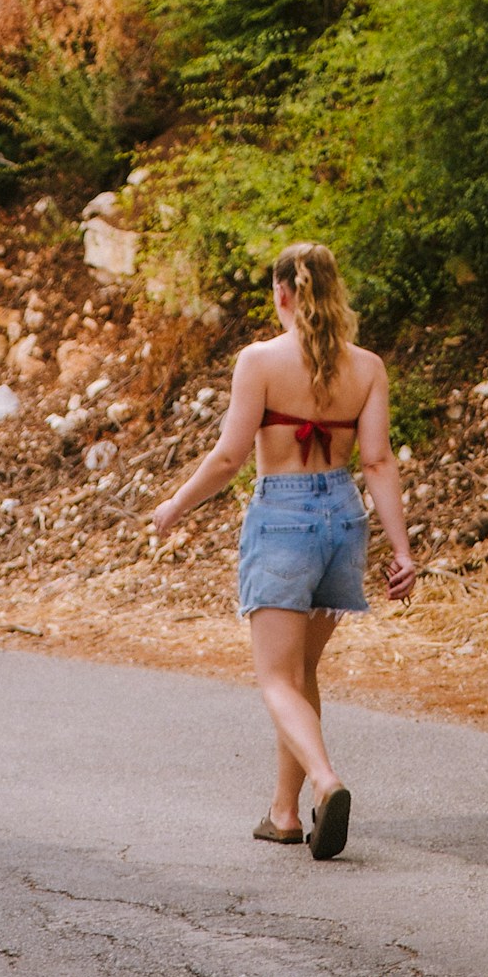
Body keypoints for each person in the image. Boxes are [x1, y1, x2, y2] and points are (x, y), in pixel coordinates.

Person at [149, 240, 416, 861]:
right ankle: (285, 813)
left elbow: (228, 457)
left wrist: (174, 506)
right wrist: (402, 551)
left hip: (283, 519)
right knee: (303, 675)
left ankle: (326, 783)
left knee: (274, 677)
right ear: (335, 292)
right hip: (344, 520)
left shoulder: (259, 361)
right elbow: (376, 461)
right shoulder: (368, 367)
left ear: (283, 294)